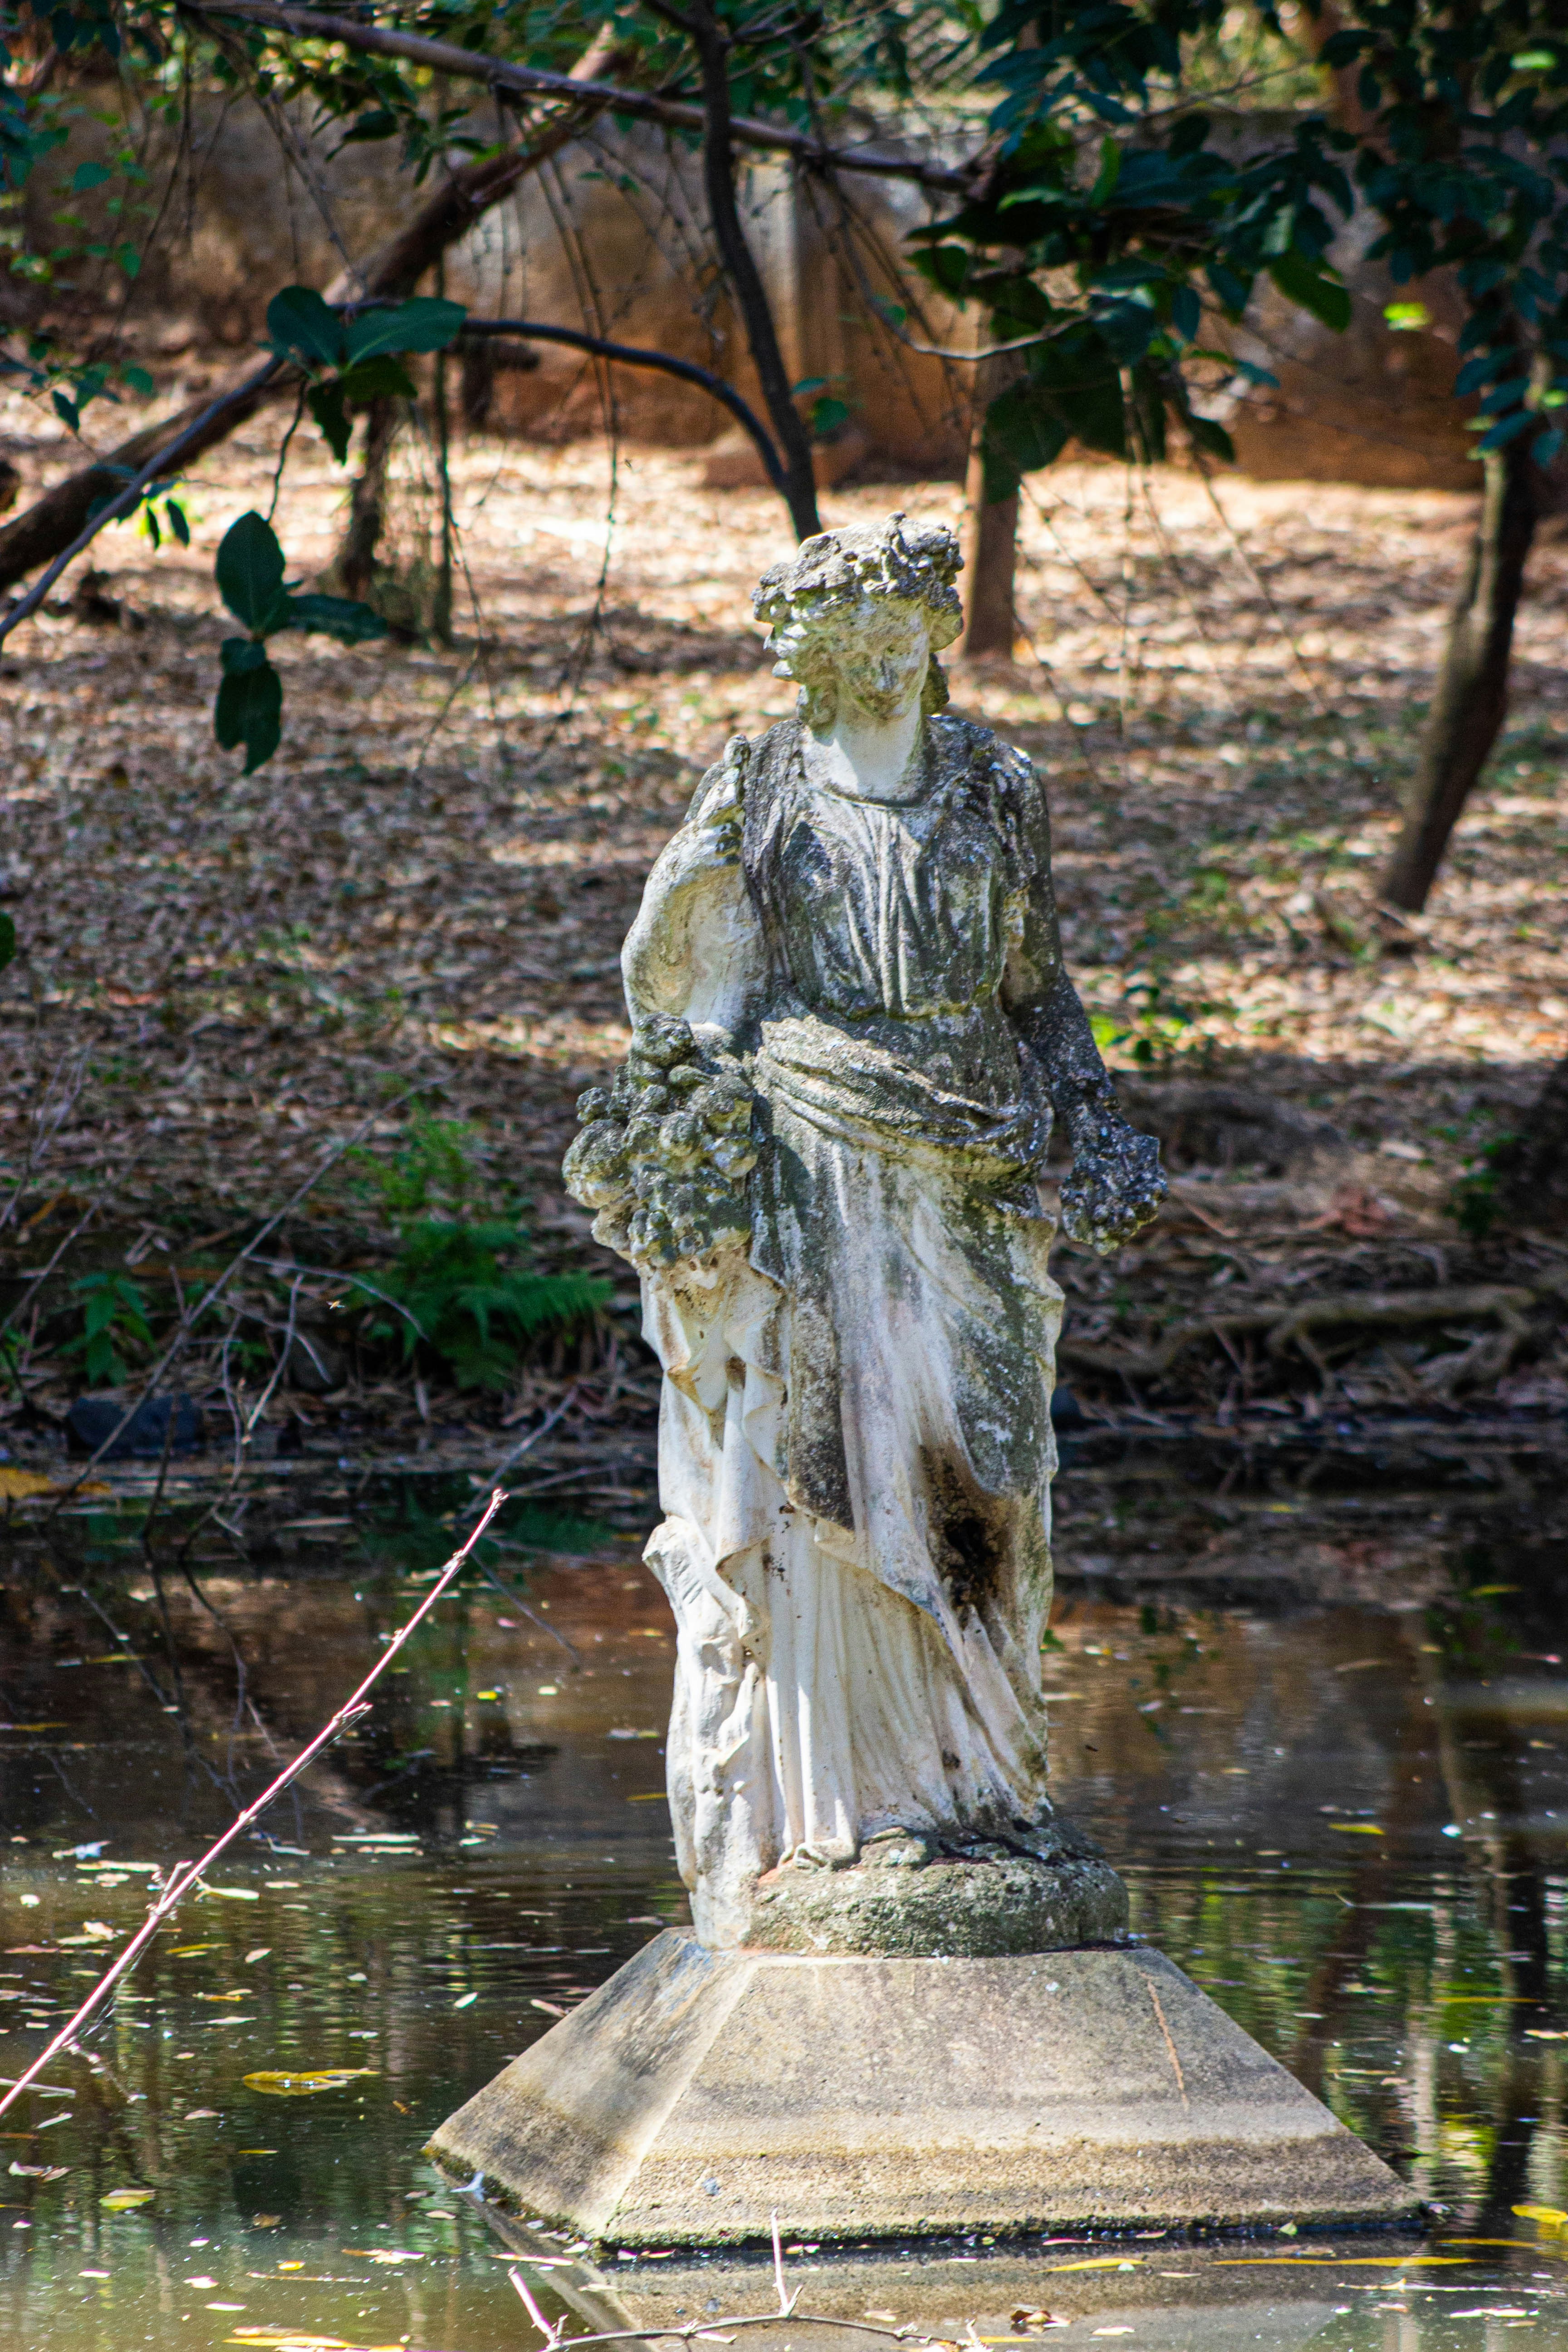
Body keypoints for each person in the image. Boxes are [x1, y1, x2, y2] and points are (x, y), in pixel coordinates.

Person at [564, 512, 1164, 1946]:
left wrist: (1095, 1112)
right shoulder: (763, 789)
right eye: (857, 635)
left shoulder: (997, 789)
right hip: (816, 1162)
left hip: (975, 1162)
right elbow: (687, 989)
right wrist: (682, 1139)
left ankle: (987, 1793)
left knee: (987, 1467)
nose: (890, 654)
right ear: (814, 657)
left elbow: (1039, 986)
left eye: (910, 625)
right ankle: (849, 1814)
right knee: (836, 1471)